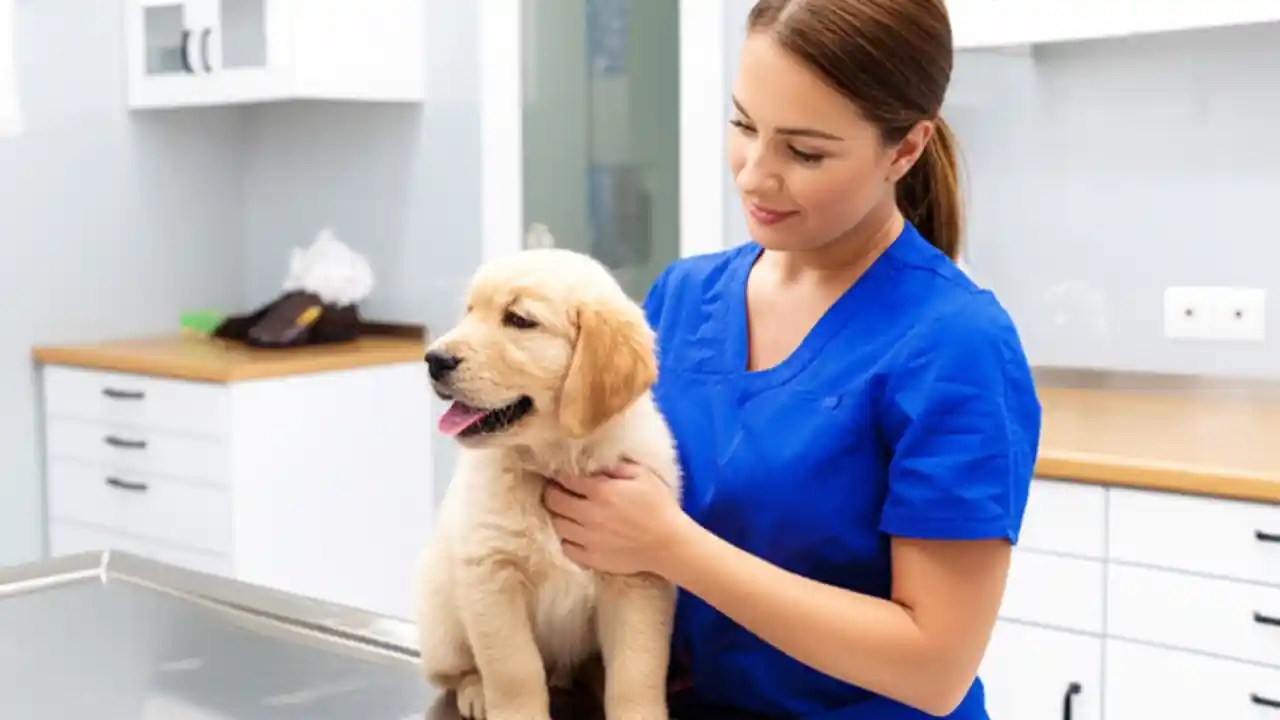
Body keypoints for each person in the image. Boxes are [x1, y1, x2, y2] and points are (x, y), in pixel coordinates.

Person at [543, 0, 1041, 717]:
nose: (754, 175)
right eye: (744, 124)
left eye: (804, 152)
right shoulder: (682, 298)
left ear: (903, 151)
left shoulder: (955, 344)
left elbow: (934, 667)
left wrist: (670, 545)